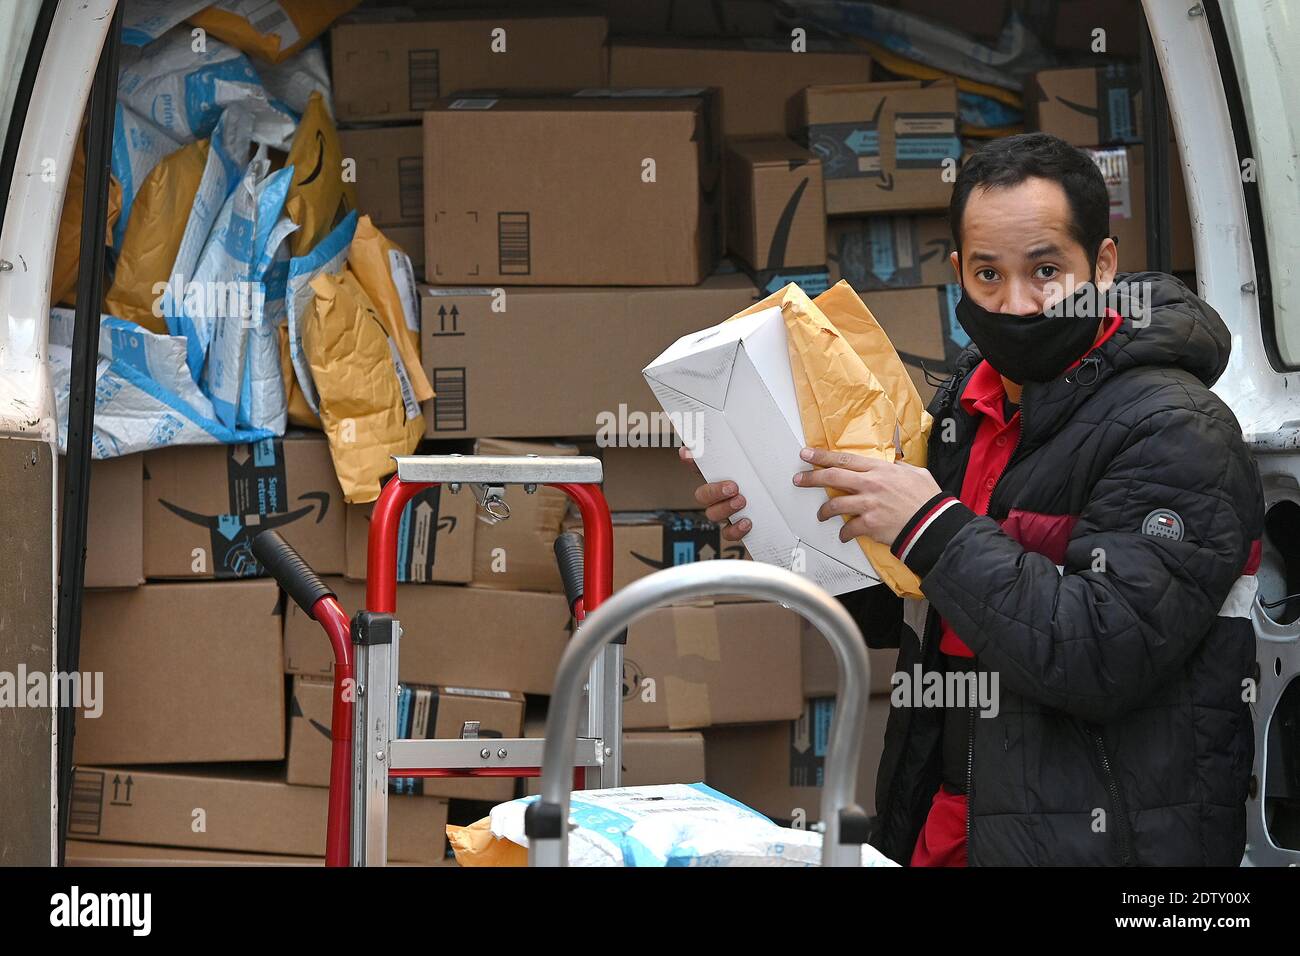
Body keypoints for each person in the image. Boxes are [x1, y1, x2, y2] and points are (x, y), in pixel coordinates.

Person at [684, 132, 1264, 866]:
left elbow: (1101, 655)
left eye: (1045, 271)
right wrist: (777, 521)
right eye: (988, 275)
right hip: (947, 823)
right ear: (958, 272)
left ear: (1104, 265)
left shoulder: (1180, 430)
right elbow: (914, 603)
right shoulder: (967, 406)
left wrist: (928, 523)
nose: (1015, 303)